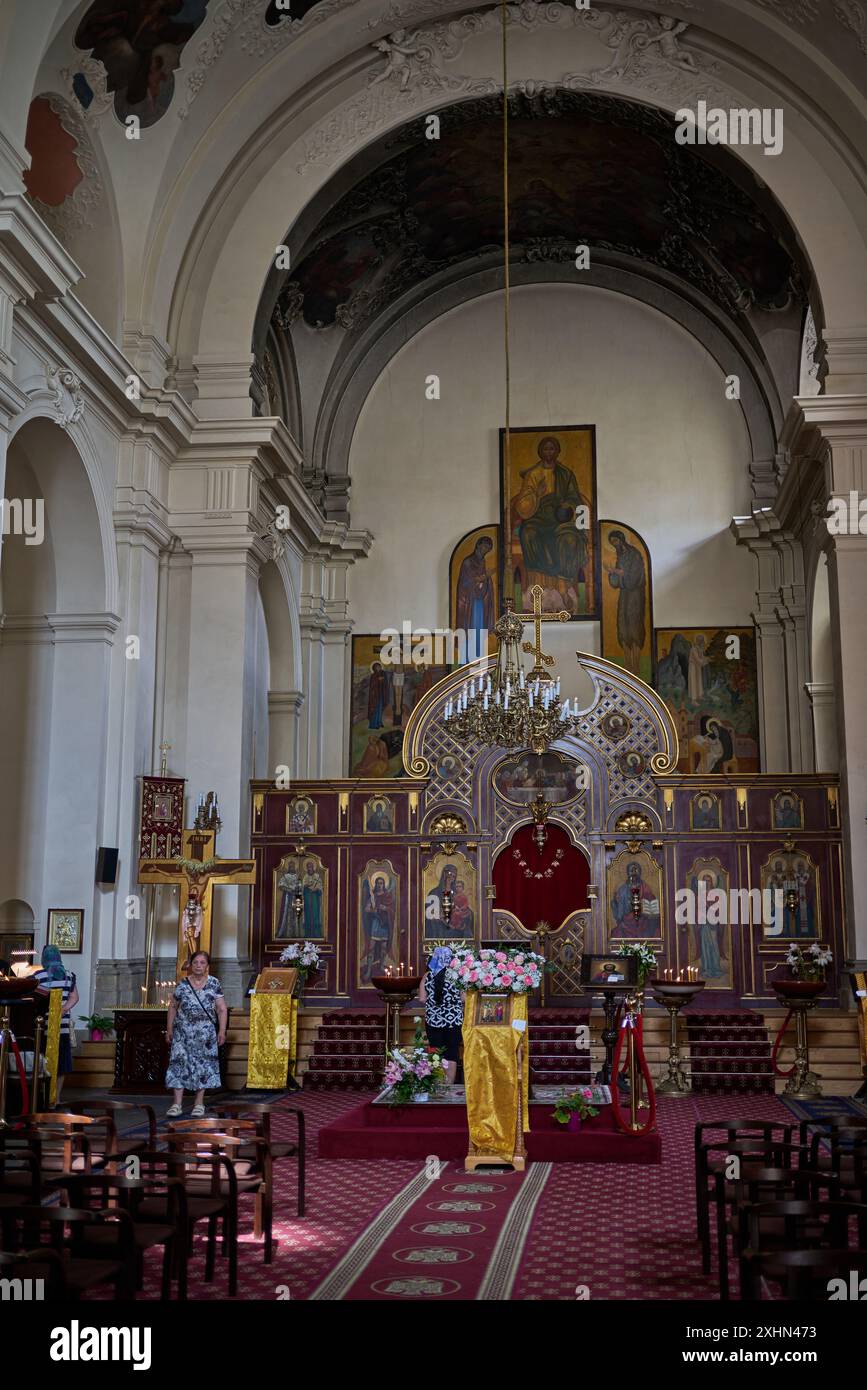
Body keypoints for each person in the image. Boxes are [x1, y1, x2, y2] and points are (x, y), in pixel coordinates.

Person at [165, 950, 227, 1117]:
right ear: (191, 965)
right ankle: (176, 1104)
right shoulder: (182, 984)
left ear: (207, 966)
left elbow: (221, 1009)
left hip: (205, 1034)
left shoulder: (214, 983)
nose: (199, 966)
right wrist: (169, 1029)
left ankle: (199, 1103)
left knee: (203, 1066)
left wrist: (221, 1031)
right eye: (195, 963)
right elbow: (172, 1006)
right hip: (182, 1033)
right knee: (179, 1064)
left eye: (202, 963)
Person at [35, 944, 79, 1104]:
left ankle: (43, 1097)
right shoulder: (69, 976)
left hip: (44, 1026)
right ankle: (57, 1098)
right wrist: (63, 1009)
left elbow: (34, 999)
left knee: (43, 1062)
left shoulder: (39, 976)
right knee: (61, 1065)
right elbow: (75, 997)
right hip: (63, 1027)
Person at [419, 946, 463, 1084]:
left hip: (433, 1021)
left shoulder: (427, 976)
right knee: (452, 1053)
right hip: (454, 1021)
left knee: (436, 1052)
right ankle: (449, 1086)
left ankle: (438, 1085)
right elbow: (464, 998)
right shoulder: (457, 975)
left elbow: (421, 998)